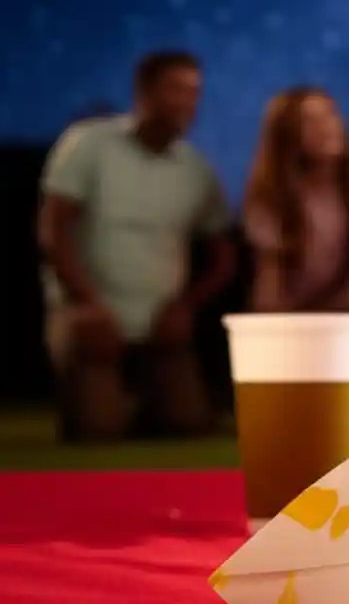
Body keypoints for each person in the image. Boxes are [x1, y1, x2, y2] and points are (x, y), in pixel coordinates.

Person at [38, 51, 235, 441]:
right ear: (144, 92)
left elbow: (224, 255)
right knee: (98, 430)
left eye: (194, 92)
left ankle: (151, 401)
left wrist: (185, 306)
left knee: (188, 425)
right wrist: (86, 303)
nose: (186, 102)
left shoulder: (196, 168)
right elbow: (53, 232)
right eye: (175, 89)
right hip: (88, 316)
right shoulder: (88, 144)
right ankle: (105, 398)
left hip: (161, 323)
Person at [243, 87, 349, 315]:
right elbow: (269, 298)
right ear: (288, 135)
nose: (325, 126)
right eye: (309, 121)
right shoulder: (275, 206)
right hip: (301, 323)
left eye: (330, 115)